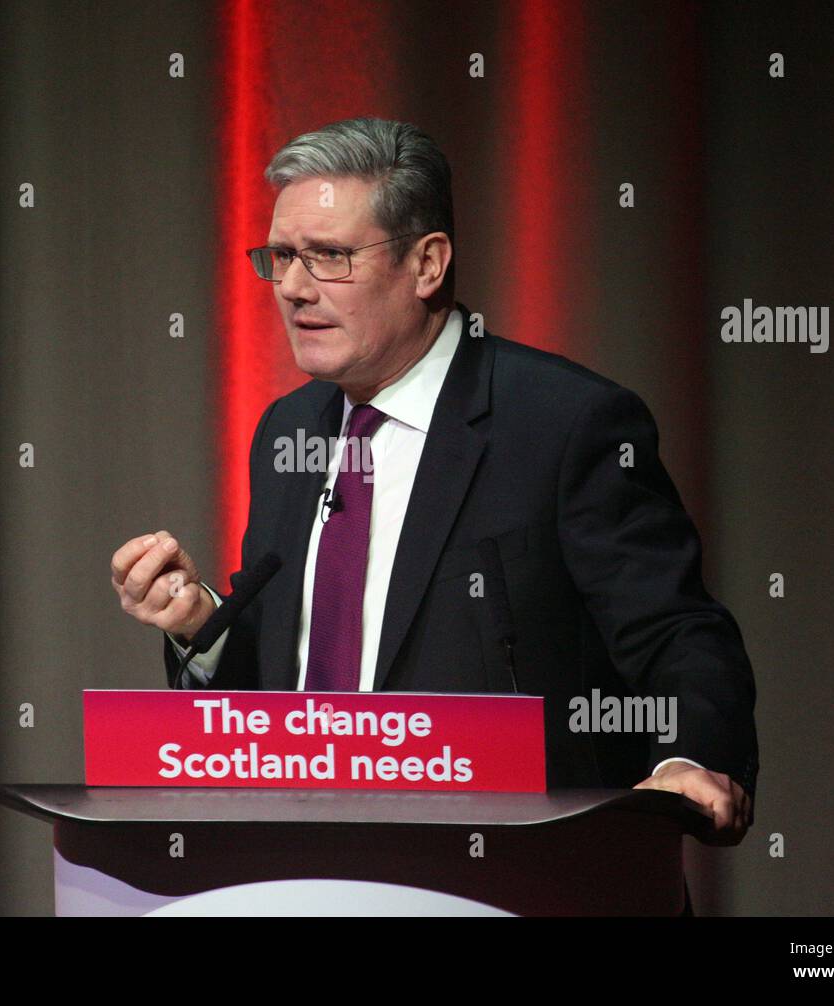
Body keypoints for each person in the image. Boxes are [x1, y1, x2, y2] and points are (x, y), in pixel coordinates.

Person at [112, 116, 757, 846]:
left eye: (328, 256)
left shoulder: (565, 423)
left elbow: (678, 633)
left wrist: (691, 758)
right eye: (282, 256)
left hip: (523, 877)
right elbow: (290, 688)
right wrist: (205, 624)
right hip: (315, 875)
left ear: (427, 264)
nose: (291, 287)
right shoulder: (287, 432)